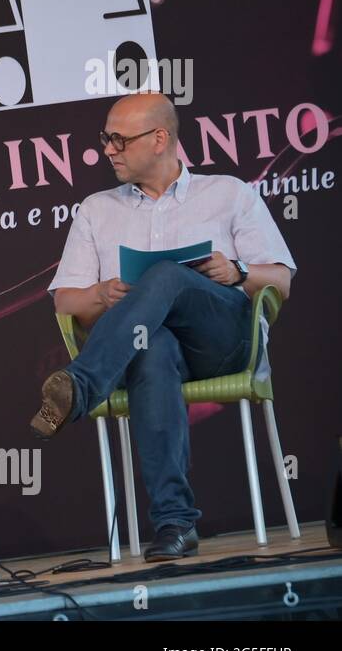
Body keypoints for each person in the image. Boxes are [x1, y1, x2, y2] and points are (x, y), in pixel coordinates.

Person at [36, 94, 295, 561]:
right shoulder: (96, 209)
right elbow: (66, 300)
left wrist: (238, 271)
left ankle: (81, 385)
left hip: (223, 341)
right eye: (105, 139)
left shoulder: (228, 192)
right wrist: (102, 294)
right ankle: (175, 524)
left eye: (119, 139)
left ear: (159, 139)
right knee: (151, 347)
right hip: (148, 354)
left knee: (168, 275)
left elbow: (280, 280)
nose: (108, 150)